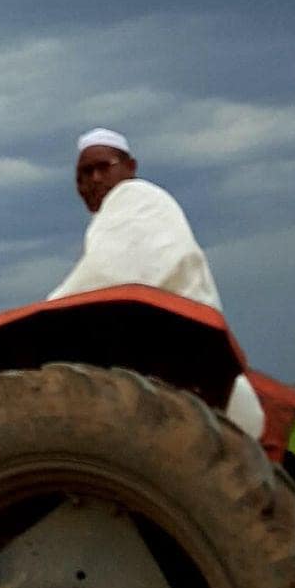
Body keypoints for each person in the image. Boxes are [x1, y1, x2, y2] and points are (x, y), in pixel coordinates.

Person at [51, 128, 265, 438]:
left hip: (176, 359)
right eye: (84, 174)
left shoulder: (136, 200)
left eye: (103, 167)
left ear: (131, 167)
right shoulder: (113, 219)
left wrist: (47, 312)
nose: (94, 179)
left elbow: (108, 278)